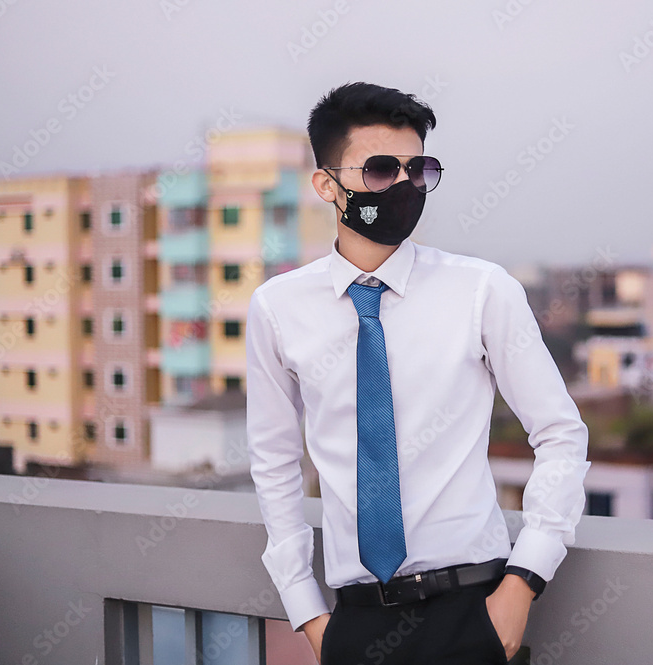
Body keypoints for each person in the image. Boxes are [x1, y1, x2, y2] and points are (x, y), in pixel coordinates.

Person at [245, 81, 590, 665]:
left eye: (418, 169)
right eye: (381, 170)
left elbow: (560, 432)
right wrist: (308, 613)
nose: (404, 185)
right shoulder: (278, 308)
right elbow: (274, 461)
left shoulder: (482, 290)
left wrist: (523, 581)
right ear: (327, 185)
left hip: (474, 610)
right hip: (353, 624)